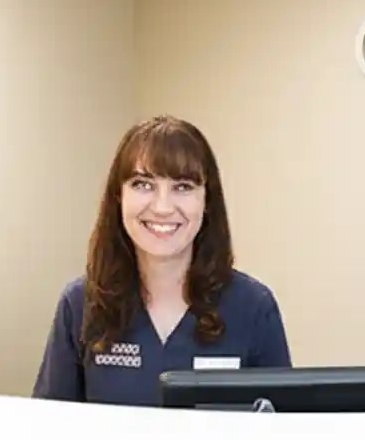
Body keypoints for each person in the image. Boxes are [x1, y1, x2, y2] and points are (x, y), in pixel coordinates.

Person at [32, 114, 292, 406]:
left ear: (207, 201)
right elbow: (49, 432)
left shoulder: (253, 307)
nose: (163, 207)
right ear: (119, 197)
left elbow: (280, 437)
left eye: (182, 186)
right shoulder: (80, 305)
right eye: (143, 184)